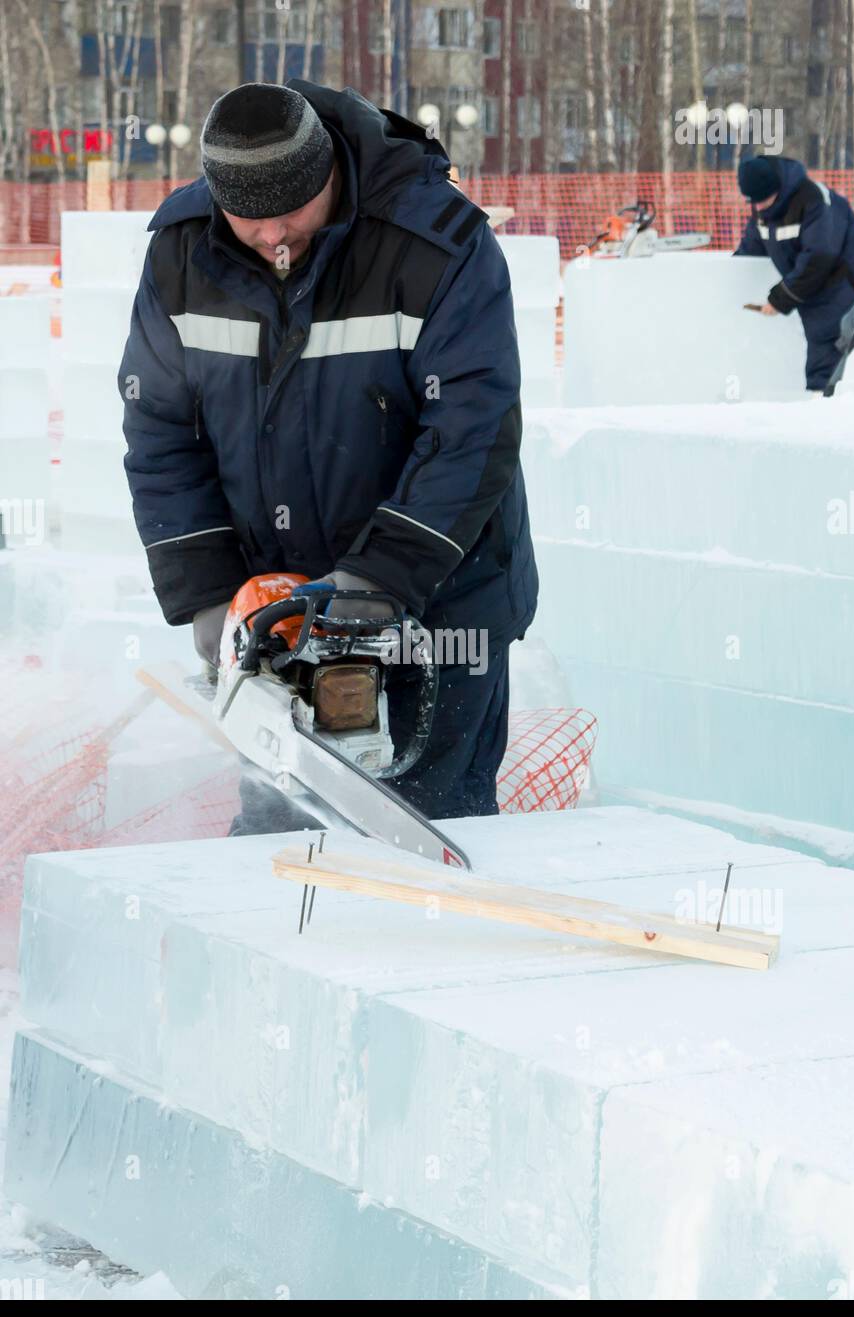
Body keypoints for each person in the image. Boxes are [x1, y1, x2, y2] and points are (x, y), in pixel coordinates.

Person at [119, 80, 538, 827]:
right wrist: (208, 584)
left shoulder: (435, 242)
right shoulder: (183, 255)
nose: (275, 235)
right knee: (280, 832)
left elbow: (473, 428)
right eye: (252, 220)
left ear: (332, 179)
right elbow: (160, 431)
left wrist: (381, 574)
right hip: (279, 611)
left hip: (442, 600)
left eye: (294, 213)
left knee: (428, 831)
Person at [734, 153, 854, 393]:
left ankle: (830, 415)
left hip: (847, 291)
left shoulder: (814, 201)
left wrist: (780, 299)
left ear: (777, 188)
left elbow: (819, 256)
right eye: (753, 201)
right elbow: (751, 249)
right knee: (823, 367)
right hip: (814, 298)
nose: (758, 206)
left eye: (763, 199)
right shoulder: (763, 211)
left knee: (833, 366)